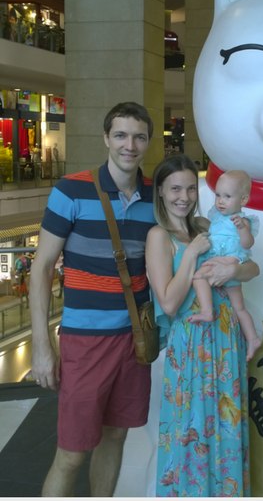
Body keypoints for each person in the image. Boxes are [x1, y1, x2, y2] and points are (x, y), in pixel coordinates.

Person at [29, 101, 156, 497]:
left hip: (134, 341)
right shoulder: (71, 191)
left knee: (115, 436)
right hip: (84, 342)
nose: (129, 145)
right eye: (120, 135)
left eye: (138, 137)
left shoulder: (156, 196)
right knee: (71, 453)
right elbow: (41, 267)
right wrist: (41, 345)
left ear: (148, 142)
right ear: (106, 138)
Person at [145, 153, 259, 497]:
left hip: (225, 336)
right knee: (191, 425)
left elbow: (252, 266)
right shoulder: (158, 236)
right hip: (192, 340)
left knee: (225, 422)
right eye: (175, 189)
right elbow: (168, 302)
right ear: (160, 191)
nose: (184, 197)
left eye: (191, 188)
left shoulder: (207, 224)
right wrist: (192, 253)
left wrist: (234, 270)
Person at [190, 169, 262, 361]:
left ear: (243, 199)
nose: (221, 201)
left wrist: (242, 229)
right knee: (238, 307)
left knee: (199, 276)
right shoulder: (216, 217)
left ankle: (207, 311)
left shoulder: (242, 220)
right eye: (218, 195)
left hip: (229, 261)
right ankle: (253, 338)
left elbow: (247, 244)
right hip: (219, 261)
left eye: (227, 196)